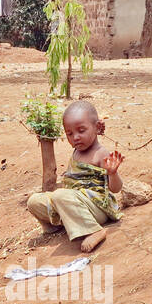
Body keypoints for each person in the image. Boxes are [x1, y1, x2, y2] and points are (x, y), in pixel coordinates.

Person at [25, 100, 123, 254]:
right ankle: (58, 225)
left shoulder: (100, 153)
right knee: (34, 200)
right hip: (73, 202)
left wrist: (113, 173)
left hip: (96, 208)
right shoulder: (76, 153)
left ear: (97, 127)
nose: (75, 137)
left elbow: (116, 189)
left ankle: (94, 231)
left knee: (61, 195)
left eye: (81, 131)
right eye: (70, 134)